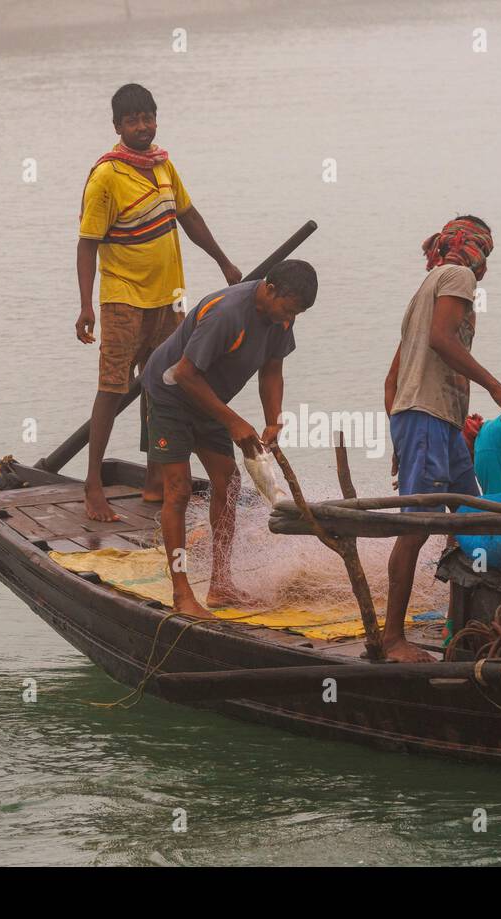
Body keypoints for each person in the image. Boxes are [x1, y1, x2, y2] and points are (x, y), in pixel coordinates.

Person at [76, 82, 242, 521]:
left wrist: (224, 262)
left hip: (169, 300)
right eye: (133, 121)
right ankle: (93, 484)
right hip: (122, 298)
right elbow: (88, 243)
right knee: (113, 389)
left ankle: (155, 478)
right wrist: (86, 305)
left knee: (162, 385)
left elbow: (188, 216)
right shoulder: (106, 176)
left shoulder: (164, 166)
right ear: (117, 126)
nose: (143, 127)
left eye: (148, 117)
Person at [381, 216, 501, 663]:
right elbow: (442, 341)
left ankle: (460, 627)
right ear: (476, 249)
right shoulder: (458, 277)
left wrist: (399, 434)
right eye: (486, 252)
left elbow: (394, 375)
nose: (484, 265)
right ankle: (391, 640)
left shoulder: (427, 286)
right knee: (416, 527)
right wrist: (496, 387)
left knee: (469, 519)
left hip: (434, 422)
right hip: (427, 417)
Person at [140, 260, 318, 618]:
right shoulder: (227, 314)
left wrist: (273, 420)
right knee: (178, 490)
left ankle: (221, 584)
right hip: (169, 392)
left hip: (209, 399)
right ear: (269, 289)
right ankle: (182, 593)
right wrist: (235, 422)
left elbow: (272, 369)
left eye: (296, 313)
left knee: (229, 482)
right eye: (287, 308)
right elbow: (183, 374)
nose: (288, 319)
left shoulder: (282, 319)